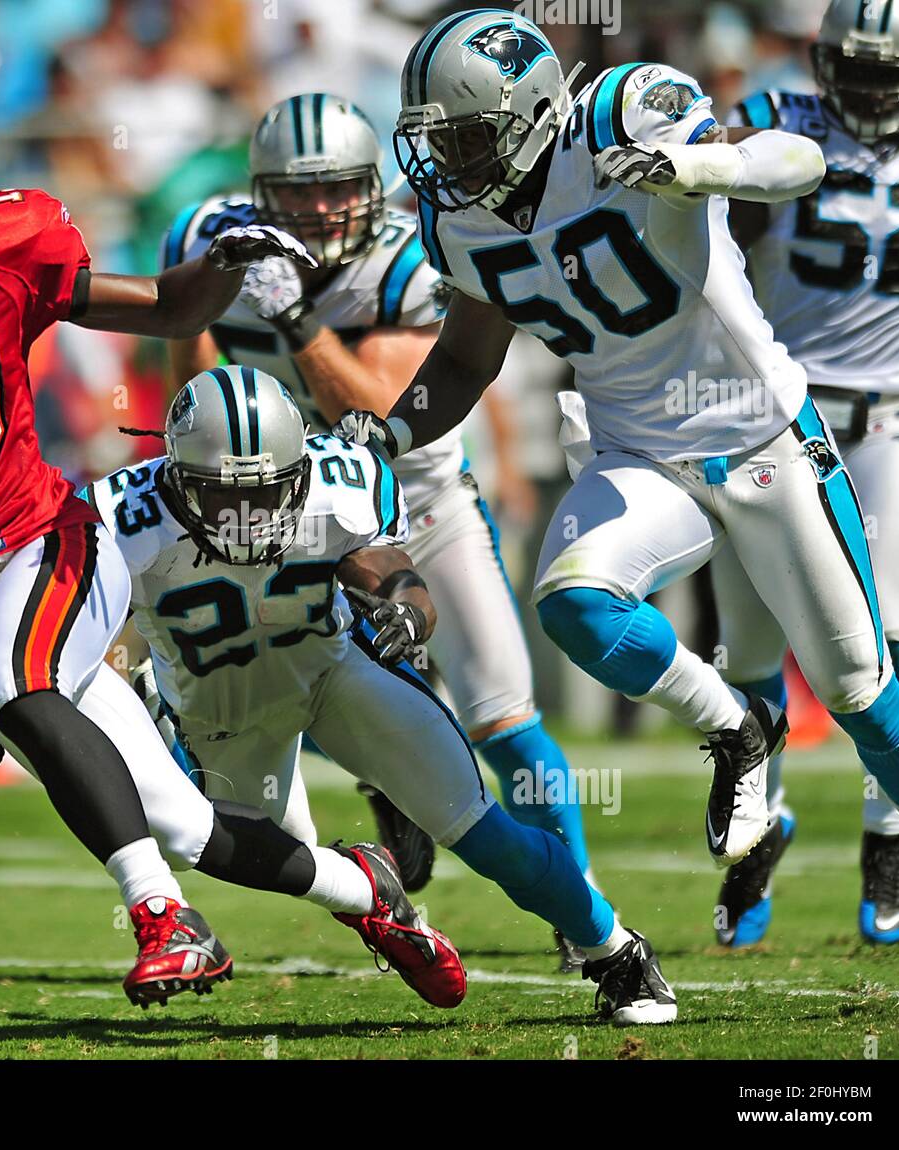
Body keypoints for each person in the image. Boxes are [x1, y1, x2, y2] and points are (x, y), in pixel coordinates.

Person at [0, 90, 461, 1008]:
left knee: (18, 683)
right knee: (185, 824)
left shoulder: (2, 243)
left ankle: (162, 920)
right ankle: (369, 891)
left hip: (45, 540)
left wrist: (224, 268)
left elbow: (171, 312)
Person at [335, 9, 899, 877]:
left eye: (465, 139)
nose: (445, 163)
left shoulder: (619, 111)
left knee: (860, 696)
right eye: (436, 141)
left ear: (532, 112)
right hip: (640, 455)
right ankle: (737, 727)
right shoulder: (463, 221)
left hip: (765, 437)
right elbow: (465, 359)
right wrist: (388, 430)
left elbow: (796, 164)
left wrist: (693, 165)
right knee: (573, 601)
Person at [78, 365, 676, 1025]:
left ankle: (618, 954)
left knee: (486, 835)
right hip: (217, 716)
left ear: (301, 471)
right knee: (229, 849)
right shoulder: (118, 520)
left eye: (268, 492)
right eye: (223, 498)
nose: (248, 518)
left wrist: (408, 611)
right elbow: (69, 631)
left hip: (337, 675)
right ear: (177, 480)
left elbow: (393, 570)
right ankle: (374, 898)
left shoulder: (341, 485)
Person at [162, 93, 597, 969]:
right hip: (291, 521)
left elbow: (389, 415)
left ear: (375, 187)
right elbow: (193, 378)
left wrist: (295, 317)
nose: (319, 210)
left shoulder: (415, 250)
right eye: (296, 192)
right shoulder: (212, 234)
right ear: (259, 192)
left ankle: (578, 906)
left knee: (505, 716)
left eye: (338, 190)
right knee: (257, 686)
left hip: (419, 504)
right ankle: (385, 769)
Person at [706, 0, 899, 946]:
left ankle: (887, 833)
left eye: (886, 75)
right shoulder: (782, 125)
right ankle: (757, 828)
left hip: (890, 425)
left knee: (892, 628)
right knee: (749, 647)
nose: (863, 93)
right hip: (772, 418)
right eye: (851, 69)